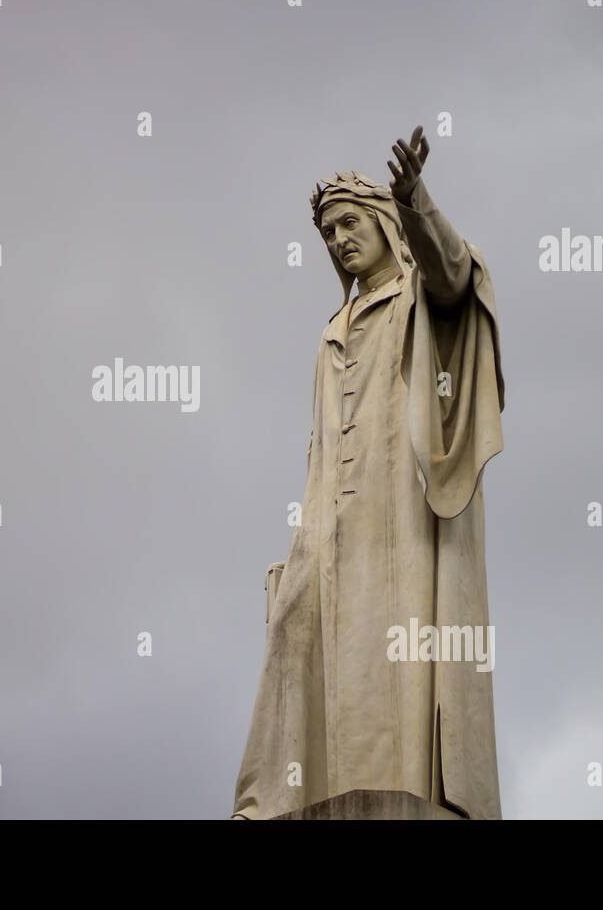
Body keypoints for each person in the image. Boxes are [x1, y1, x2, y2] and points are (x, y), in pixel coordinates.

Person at [231, 127, 507, 820]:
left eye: (351, 222)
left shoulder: (420, 296)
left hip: (406, 516)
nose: (339, 240)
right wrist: (303, 539)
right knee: (302, 633)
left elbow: (453, 277)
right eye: (328, 232)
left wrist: (417, 200)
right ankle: (279, 797)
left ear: (385, 223)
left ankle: (407, 789)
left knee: (399, 662)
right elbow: (319, 448)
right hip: (332, 521)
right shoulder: (332, 332)